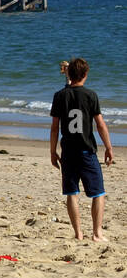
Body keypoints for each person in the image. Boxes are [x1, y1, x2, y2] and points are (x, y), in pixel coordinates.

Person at [50, 57, 113, 241]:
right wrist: (108, 147)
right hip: (86, 151)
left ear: (68, 74)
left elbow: (55, 127)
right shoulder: (91, 95)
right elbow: (100, 124)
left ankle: (78, 233)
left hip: (68, 151)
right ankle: (97, 233)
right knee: (98, 193)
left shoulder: (59, 96)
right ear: (85, 74)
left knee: (72, 193)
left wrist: (52, 151)